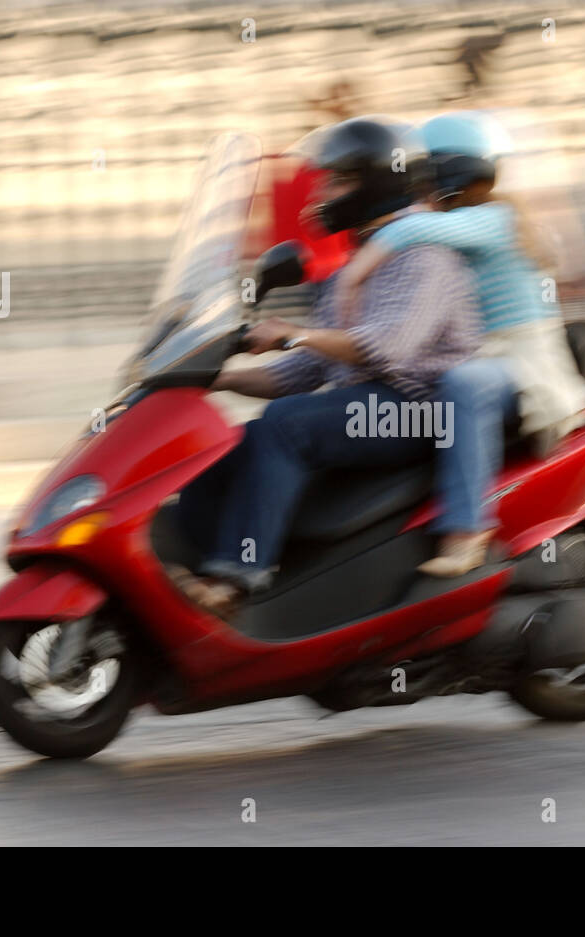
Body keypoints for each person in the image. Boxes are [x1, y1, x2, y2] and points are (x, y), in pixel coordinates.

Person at [176, 118, 480, 613]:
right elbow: (299, 374)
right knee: (225, 447)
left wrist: (295, 333)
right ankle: (227, 570)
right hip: (364, 406)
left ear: (377, 183)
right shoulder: (353, 269)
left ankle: (237, 576)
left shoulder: (424, 256)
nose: (322, 192)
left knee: (286, 426)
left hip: (420, 410)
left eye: (337, 180)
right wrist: (206, 377)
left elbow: (388, 348)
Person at [335, 112, 585, 576]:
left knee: (463, 383)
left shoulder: (494, 219)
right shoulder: (455, 227)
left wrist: (355, 274)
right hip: (487, 359)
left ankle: (467, 531)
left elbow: (410, 229)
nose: (417, 188)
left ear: (445, 172)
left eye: (423, 175)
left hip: (524, 366)